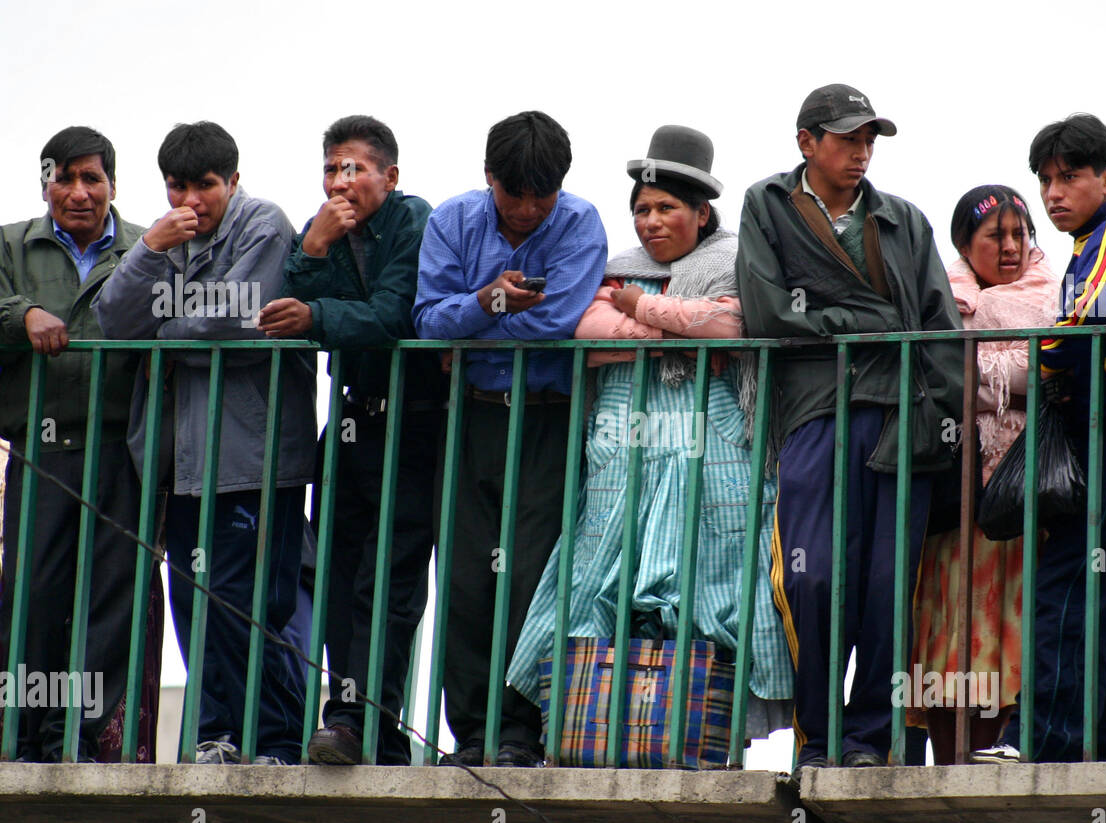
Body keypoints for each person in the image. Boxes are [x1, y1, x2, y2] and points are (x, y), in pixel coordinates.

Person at [506, 125, 794, 749]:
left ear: (702, 212)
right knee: (600, 577)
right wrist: (676, 328)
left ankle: (694, 739)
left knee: (712, 583)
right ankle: (601, 736)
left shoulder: (734, 262)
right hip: (623, 444)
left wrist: (639, 310)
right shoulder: (615, 270)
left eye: (667, 209)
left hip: (713, 449)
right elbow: (587, 329)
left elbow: (729, 324)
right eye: (642, 209)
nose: (650, 222)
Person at [737, 84, 964, 770]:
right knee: (810, 579)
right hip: (814, 413)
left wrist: (941, 420)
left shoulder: (905, 220)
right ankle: (817, 733)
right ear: (807, 141)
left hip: (902, 417)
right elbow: (770, 315)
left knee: (887, 591)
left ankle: (866, 739)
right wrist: (868, 324)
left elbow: (940, 330)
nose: (861, 152)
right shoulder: (767, 204)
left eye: (870, 140)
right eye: (847, 138)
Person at [96, 121, 315, 765]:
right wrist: (149, 253)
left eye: (205, 186)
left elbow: (233, 318)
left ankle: (276, 740)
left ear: (234, 180)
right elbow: (113, 320)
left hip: (256, 457)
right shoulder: (164, 239)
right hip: (181, 464)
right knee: (197, 608)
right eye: (177, 187)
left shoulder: (264, 223)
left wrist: (160, 332)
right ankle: (219, 734)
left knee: (253, 607)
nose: (190, 200)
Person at [413, 111, 607, 767]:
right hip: (469, 416)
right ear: (488, 178)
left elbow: (558, 320)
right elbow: (427, 319)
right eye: (513, 193)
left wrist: (473, 317)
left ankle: (523, 731)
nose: (527, 210)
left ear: (561, 187)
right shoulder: (451, 219)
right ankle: (471, 733)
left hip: (549, 417)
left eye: (541, 196)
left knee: (531, 574)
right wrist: (486, 303)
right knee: (466, 577)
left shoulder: (580, 223)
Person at [973, 113, 1106, 764]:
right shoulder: (1087, 243)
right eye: (1045, 180)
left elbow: (1078, 328)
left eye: (1070, 177)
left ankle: (1040, 740)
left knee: (1069, 588)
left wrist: (1041, 366)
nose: (1054, 192)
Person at [260, 115, 443, 766]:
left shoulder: (413, 223)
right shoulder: (327, 230)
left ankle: (362, 721)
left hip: (413, 425)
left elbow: (395, 315)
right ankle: (354, 721)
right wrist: (311, 252)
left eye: (354, 169)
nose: (340, 182)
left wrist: (317, 315)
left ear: (389, 177)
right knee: (335, 578)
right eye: (331, 169)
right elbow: (283, 307)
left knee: (386, 586)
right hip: (349, 424)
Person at [0, 127, 145, 761]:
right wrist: (22, 315)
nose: (79, 192)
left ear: (114, 185)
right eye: (66, 178)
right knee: (32, 591)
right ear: (45, 182)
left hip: (123, 448)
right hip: (42, 446)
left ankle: (81, 740)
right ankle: (24, 735)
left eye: (94, 179)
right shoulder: (11, 244)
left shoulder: (146, 248)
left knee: (111, 596)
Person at [910, 185, 1059, 764]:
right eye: (995, 235)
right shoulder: (943, 301)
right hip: (958, 497)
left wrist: (981, 368)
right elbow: (941, 370)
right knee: (950, 635)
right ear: (963, 245)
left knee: (1011, 631)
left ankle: (999, 754)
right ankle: (950, 767)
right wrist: (999, 371)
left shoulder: (1053, 295)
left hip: (1025, 493)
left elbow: (1044, 367)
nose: (1012, 246)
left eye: (1020, 233)